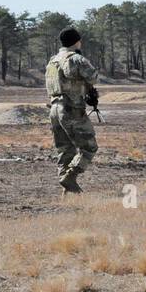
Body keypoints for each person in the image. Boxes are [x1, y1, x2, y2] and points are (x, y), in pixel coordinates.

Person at [45, 27, 99, 194]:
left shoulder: (53, 60)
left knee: (65, 150)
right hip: (71, 108)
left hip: (54, 108)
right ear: (76, 41)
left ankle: (68, 192)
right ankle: (70, 176)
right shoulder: (75, 58)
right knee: (89, 147)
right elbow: (93, 76)